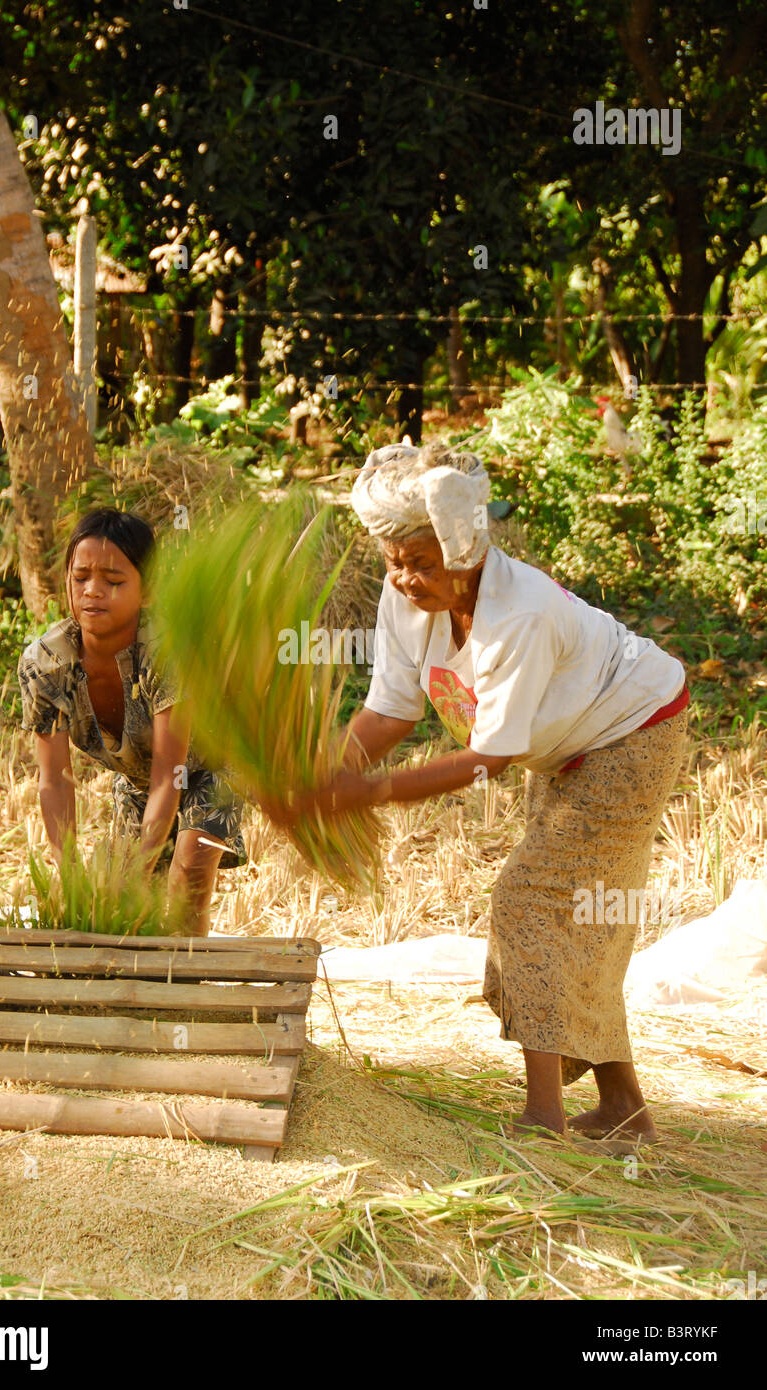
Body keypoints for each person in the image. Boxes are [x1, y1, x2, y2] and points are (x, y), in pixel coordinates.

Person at [266, 442, 688, 1140]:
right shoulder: (404, 601)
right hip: (565, 749)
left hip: (632, 732)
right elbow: (392, 711)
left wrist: (362, 794)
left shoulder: (515, 615)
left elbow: (487, 757)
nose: (404, 578)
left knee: (529, 901)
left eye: (422, 562)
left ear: (464, 551)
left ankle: (543, 1117)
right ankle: (624, 1109)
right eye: (392, 560)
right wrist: (320, 777)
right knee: (575, 914)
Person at [18, 508, 244, 934]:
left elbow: (170, 774)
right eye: (80, 577)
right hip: (138, 782)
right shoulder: (46, 663)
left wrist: (145, 861)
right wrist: (68, 872)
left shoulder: (167, 652)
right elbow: (55, 780)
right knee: (123, 909)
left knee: (184, 888)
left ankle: (185, 996)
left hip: (210, 771)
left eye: (114, 581)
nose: (93, 592)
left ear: (148, 591)